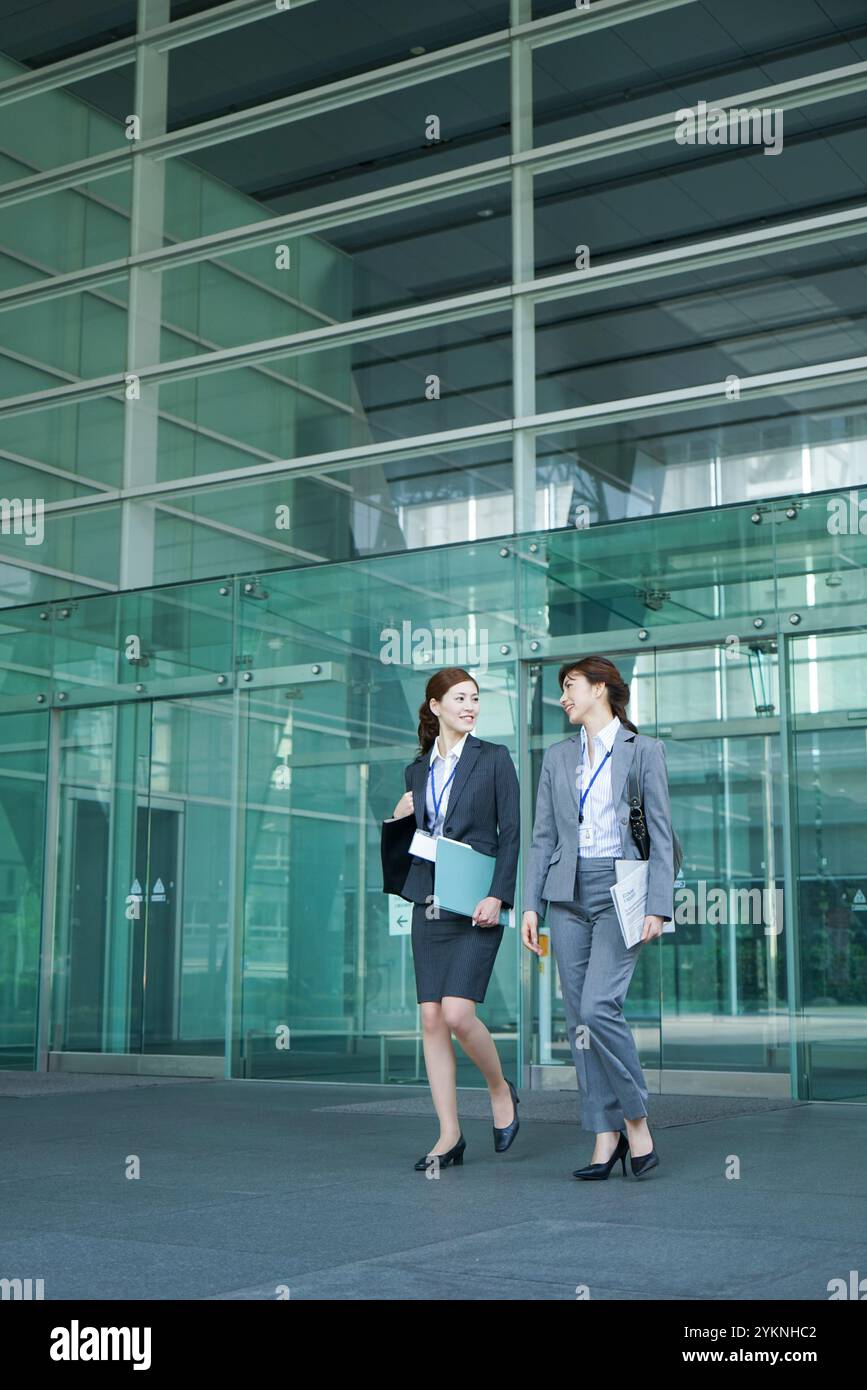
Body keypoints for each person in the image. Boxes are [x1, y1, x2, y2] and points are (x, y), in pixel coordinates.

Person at [521, 656, 675, 1180]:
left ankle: (636, 1118)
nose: (563, 697)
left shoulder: (644, 750)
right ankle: (603, 1134)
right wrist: (529, 904)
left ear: (601, 689)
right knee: (577, 1020)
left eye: (570, 687)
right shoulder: (558, 757)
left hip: (620, 890)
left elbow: (659, 832)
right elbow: (543, 836)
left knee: (599, 1005)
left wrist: (658, 904)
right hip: (566, 893)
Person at [391, 667, 520, 1171]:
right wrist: (399, 816)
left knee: (457, 1013)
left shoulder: (493, 759)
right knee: (429, 1017)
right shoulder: (417, 771)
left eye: (475, 698)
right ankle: (448, 1134)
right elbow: (411, 842)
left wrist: (500, 896)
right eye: (460, 698)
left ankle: (498, 1088)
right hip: (430, 901)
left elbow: (510, 832)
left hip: (476, 903)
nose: (470, 706)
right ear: (435, 706)